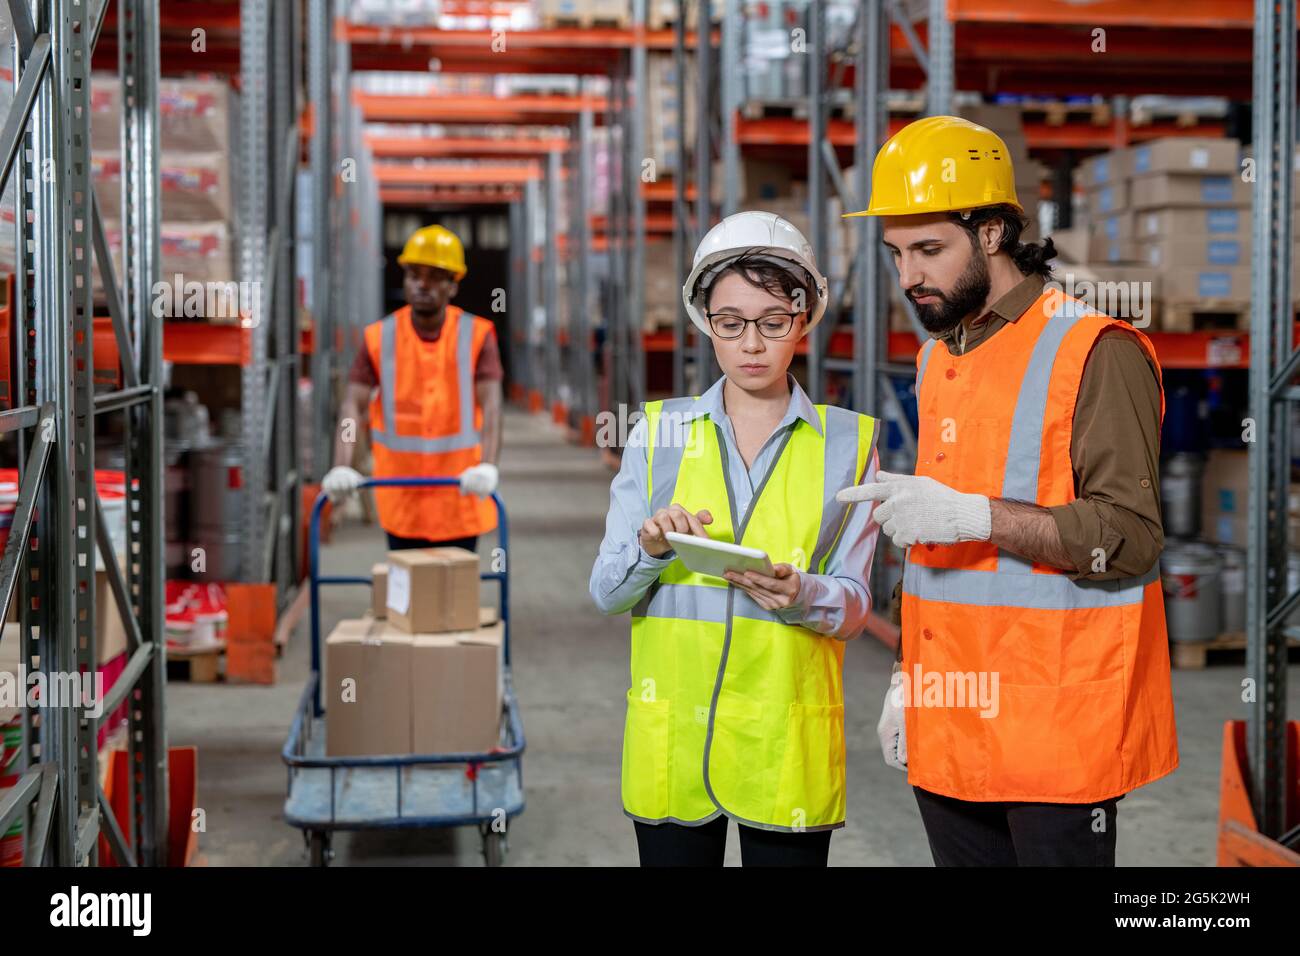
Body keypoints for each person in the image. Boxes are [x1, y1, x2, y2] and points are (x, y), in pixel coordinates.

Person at [839, 115, 1177, 866]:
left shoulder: (1095, 350)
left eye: (929, 249)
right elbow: (930, 543)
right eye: (896, 253)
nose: (909, 277)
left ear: (992, 231)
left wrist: (974, 516)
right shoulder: (939, 360)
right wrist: (905, 678)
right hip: (950, 722)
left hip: (1057, 731)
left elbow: (1129, 536)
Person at [590, 211, 883, 867]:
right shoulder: (658, 433)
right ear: (705, 322)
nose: (752, 342)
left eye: (773, 321)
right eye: (731, 323)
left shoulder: (850, 444)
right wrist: (651, 550)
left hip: (785, 750)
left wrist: (803, 593)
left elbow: (857, 604)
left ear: (802, 319)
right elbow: (607, 592)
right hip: (674, 748)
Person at [323, 224, 503, 552]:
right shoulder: (379, 338)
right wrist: (342, 463)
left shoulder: (477, 335)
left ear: (453, 285)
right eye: (414, 274)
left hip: (460, 494)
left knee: (454, 595)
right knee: (406, 596)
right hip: (401, 495)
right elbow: (353, 406)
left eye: (435, 276)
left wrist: (488, 464)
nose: (422, 283)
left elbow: (491, 406)